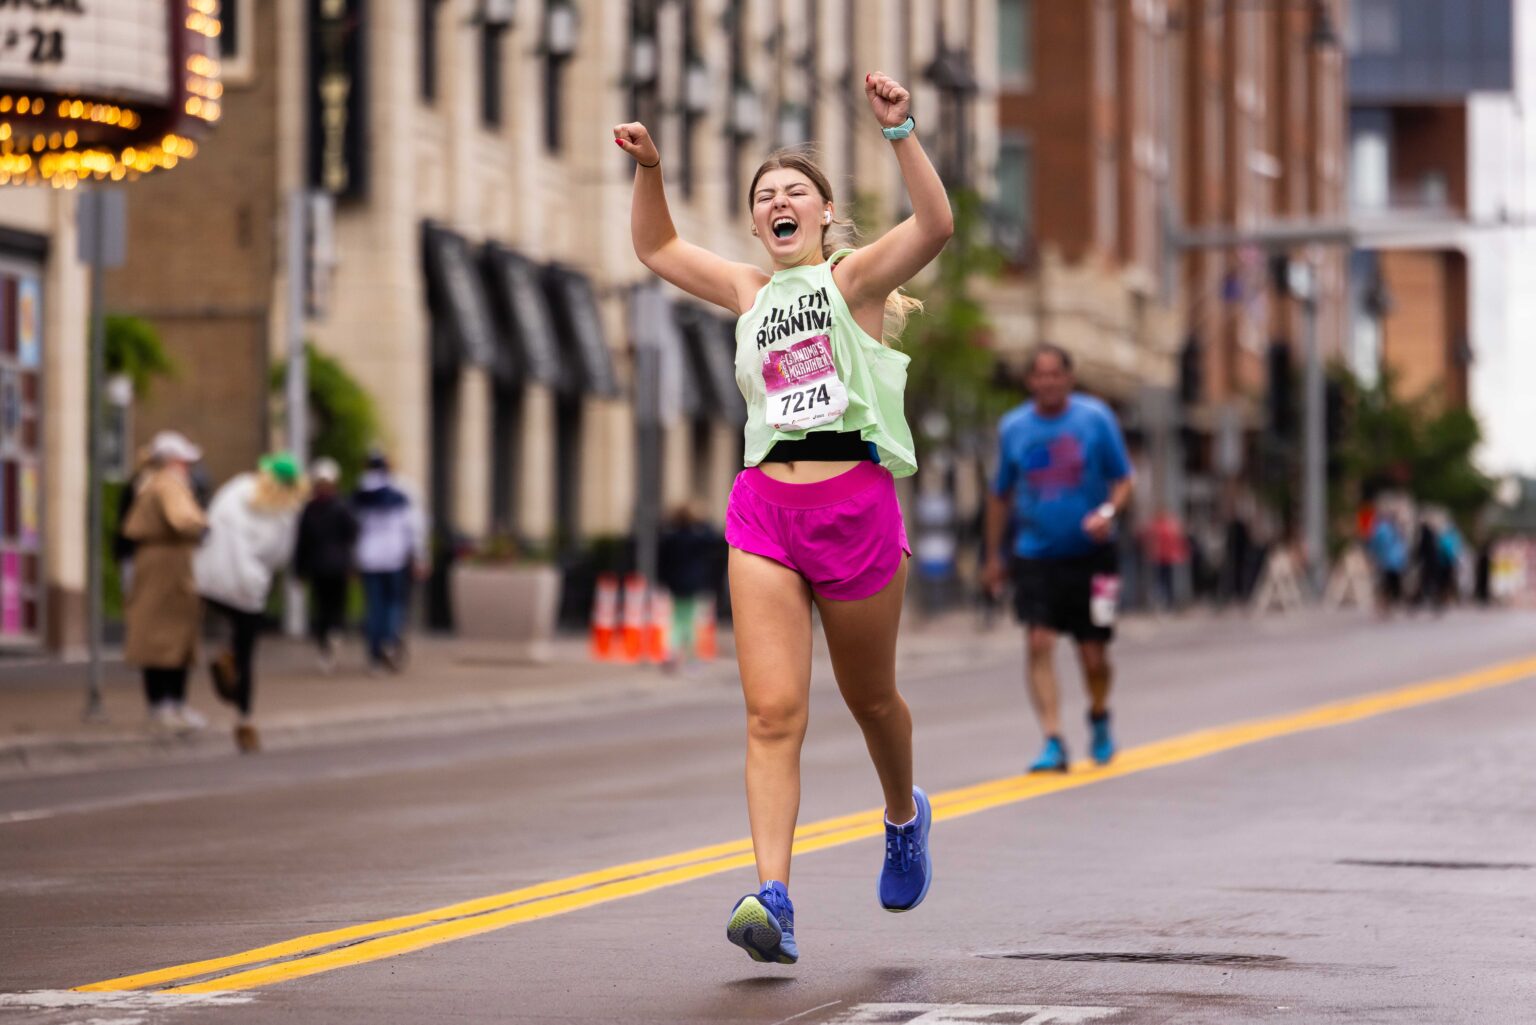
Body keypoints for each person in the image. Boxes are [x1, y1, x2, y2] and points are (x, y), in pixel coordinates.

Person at [618, 69, 952, 964]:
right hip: (763, 505)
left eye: (793, 191)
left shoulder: (854, 282)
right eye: (765, 196)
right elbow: (657, 249)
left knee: (870, 697)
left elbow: (936, 225)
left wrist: (901, 130)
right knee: (772, 714)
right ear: (758, 221)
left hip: (854, 504)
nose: (778, 202)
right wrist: (650, 169)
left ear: (824, 210)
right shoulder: (744, 292)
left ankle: (901, 813)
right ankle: (773, 895)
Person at [983, 344, 1134, 774]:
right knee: (1038, 641)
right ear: (1030, 381)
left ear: (1069, 378)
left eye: (1055, 374)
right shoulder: (1013, 428)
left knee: (1094, 654)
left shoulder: (1096, 419)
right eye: (1039, 375)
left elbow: (1124, 480)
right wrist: (994, 556)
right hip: (1036, 555)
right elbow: (1000, 496)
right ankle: (1052, 738)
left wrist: (1107, 513)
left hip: (1096, 557)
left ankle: (1100, 716)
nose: (1047, 382)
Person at [195, 453, 308, 753]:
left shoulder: (235, 489)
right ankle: (244, 720)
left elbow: (208, 525)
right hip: (247, 587)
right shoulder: (286, 510)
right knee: (246, 656)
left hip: (210, 579)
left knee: (210, 632)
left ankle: (226, 661)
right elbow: (279, 557)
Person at [121, 431, 209, 732]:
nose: (189, 467)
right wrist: (205, 524)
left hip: (165, 564)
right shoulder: (168, 484)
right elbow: (183, 519)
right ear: (174, 461)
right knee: (165, 636)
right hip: (168, 567)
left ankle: (169, 704)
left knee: (167, 635)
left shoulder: (150, 482)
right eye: (185, 461)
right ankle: (166, 704)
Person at [352, 452, 427, 673]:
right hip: (394, 558)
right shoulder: (401, 492)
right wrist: (420, 556)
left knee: (374, 606)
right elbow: (414, 527)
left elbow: (354, 529)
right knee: (393, 603)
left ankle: (375, 653)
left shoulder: (360, 494)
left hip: (368, 558)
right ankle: (390, 640)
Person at [293, 457, 359, 673]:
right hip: (332, 565)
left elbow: (302, 542)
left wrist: (299, 570)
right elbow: (352, 535)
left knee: (325, 606)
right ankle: (332, 638)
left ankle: (328, 644)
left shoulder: (313, 509)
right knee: (331, 606)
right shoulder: (340, 507)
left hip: (322, 566)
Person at [657, 504, 724, 671]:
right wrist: (703, 521)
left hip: (675, 584)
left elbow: (662, 562)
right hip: (694, 584)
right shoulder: (697, 538)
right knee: (690, 621)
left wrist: (663, 581)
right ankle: (690, 658)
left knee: (677, 619)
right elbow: (714, 538)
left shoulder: (669, 538)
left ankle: (671, 652)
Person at [1366, 506, 1407, 617]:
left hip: (1386, 561)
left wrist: (1372, 555)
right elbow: (1400, 545)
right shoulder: (1393, 528)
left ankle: (1385, 605)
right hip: (1396, 561)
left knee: (1385, 584)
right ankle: (1390, 604)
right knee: (1392, 584)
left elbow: (1374, 544)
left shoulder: (1380, 529)